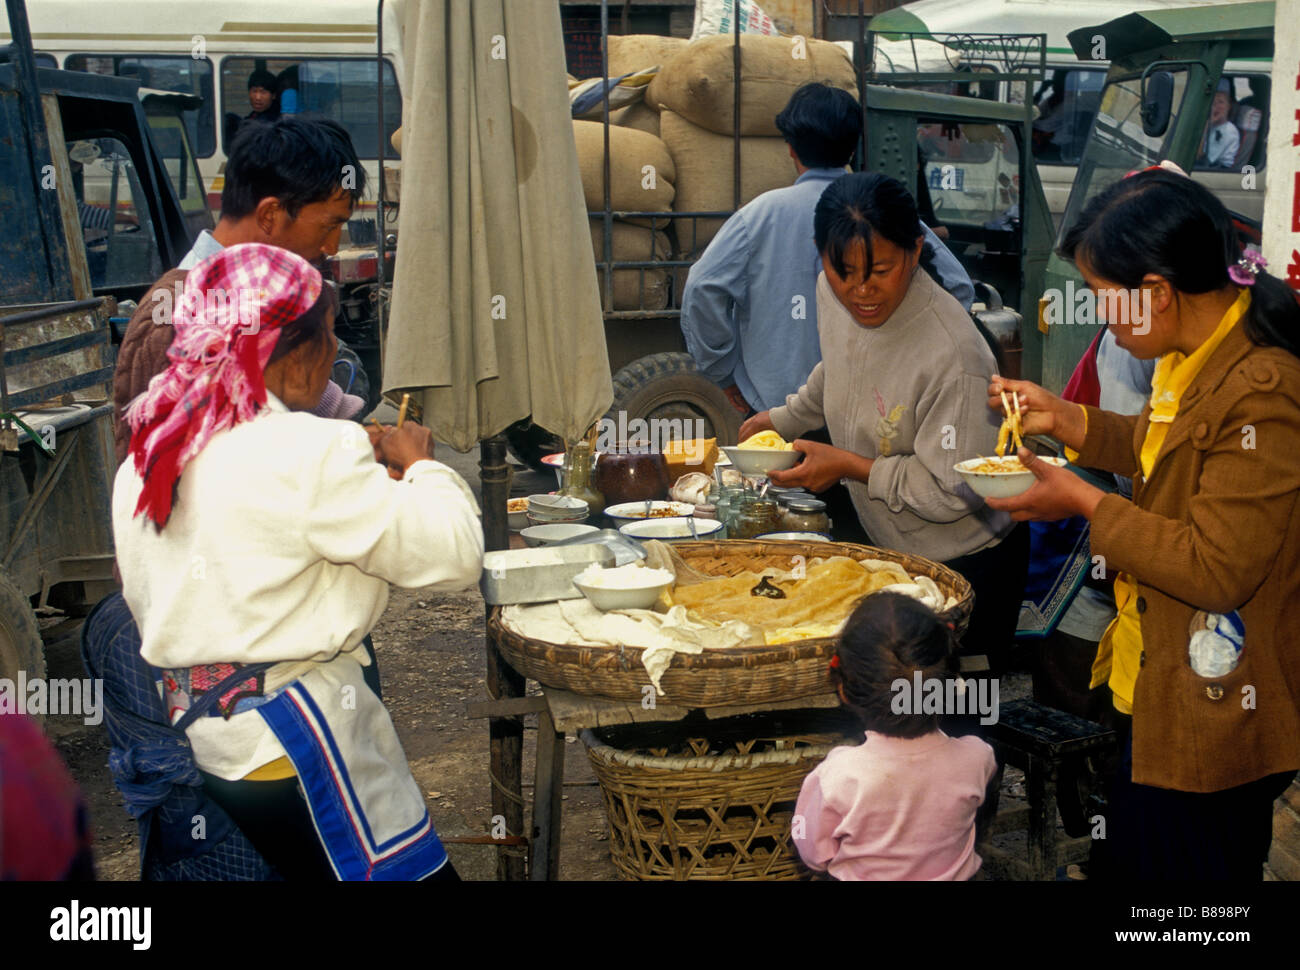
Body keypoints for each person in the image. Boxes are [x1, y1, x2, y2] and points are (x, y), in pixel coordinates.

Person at [112, 244, 484, 880]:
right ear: (297, 350)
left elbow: (266, 539)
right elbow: (455, 556)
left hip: (212, 734)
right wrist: (421, 464)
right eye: (330, 337)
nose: (334, 356)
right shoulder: (308, 450)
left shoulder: (149, 454)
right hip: (299, 737)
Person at [985, 167, 1300, 879]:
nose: (1100, 317)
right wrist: (1065, 419)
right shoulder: (1196, 352)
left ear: (1157, 292)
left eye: (1103, 297)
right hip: (1159, 684)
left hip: (1217, 716)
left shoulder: (1264, 390)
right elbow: (1171, 454)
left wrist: (1083, 501)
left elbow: (1217, 568)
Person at [740, 172, 1026, 674]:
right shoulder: (838, 289)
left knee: (953, 723)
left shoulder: (955, 356)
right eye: (842, 270)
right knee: (882, 714)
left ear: (915, 251)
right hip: (891, 550)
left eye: (880, 270)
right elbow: (842, 365)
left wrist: (849, 466)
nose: (861, 290)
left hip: (964, 565)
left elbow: (951, 491)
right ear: (822, 253)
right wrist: (783, 419)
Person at [679, 82, 973, 419]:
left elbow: (702, 287)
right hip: (873, 415)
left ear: (791, 149)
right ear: (852, 149)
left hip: (778, 414)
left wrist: (724, 372)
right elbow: (958, 289)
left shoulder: (758, 216)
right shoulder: (879, 211)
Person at [113, 117, 367, 465]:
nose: (333, 246)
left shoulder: (265, 297)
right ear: (270, 214)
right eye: (330, 225)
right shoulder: (176, 313)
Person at [793, 592, 998, 880]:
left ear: (844, 689)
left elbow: (813, 854)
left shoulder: (837, 776)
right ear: (951, 684)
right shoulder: (978, 757)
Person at [1196, 81, 1240, 170]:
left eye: (1221, 102)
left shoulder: (1228, 131)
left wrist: (1205, 125)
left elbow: (1200, 157)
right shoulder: (1213, 126)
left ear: (1229, 106)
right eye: (1213, 102)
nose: (1215, 106)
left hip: (1217, 168)